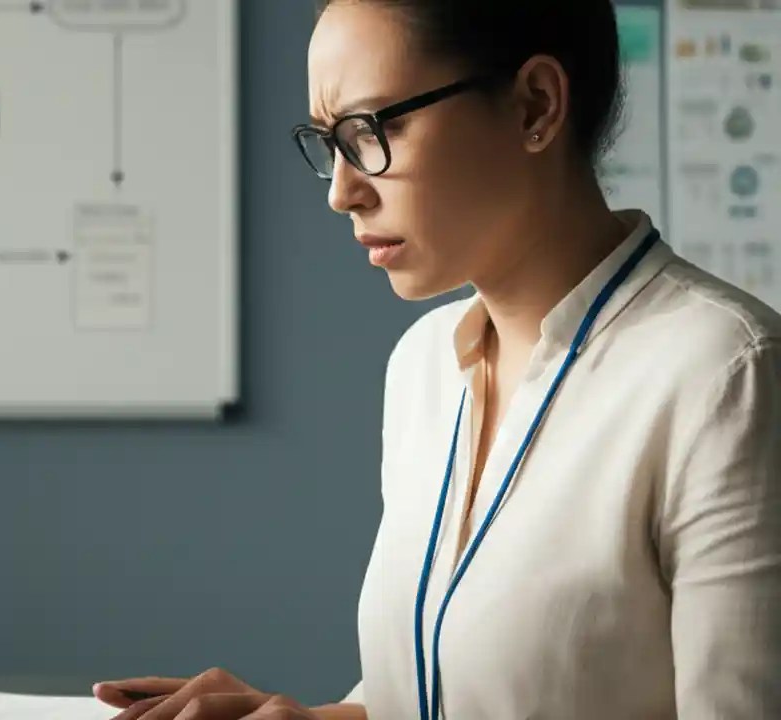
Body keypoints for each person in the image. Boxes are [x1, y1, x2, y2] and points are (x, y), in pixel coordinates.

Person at [90, 0, 781, 718]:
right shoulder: (423, 367)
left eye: (372, 131)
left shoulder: (727, 374)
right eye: (328, 142)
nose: (341, 192)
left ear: (534, 107)